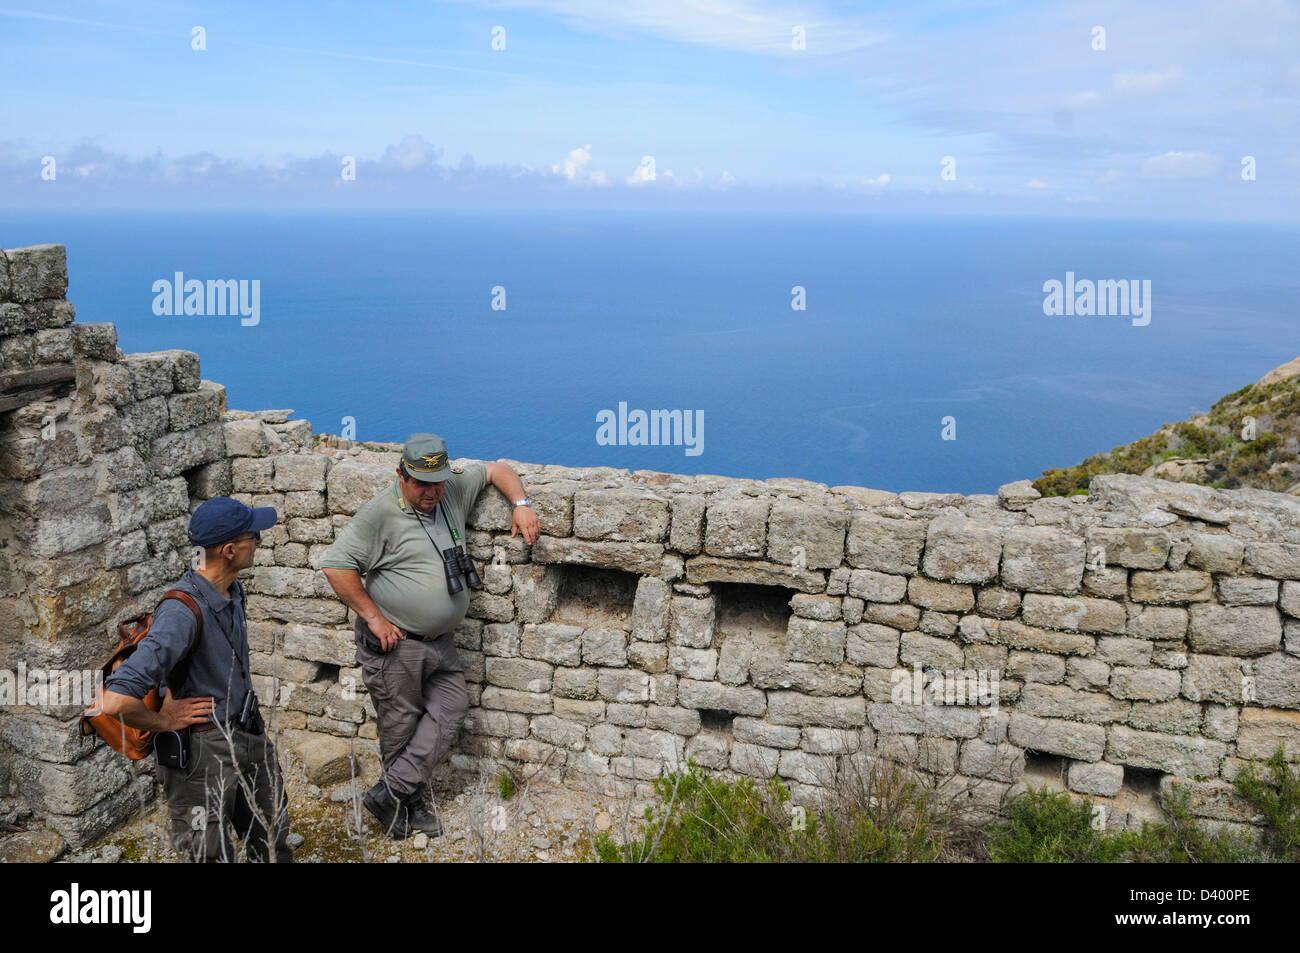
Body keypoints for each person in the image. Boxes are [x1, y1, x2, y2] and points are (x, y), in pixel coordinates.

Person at [321, 434, 540, 839]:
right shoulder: (379, 514)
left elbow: (498, 469)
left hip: (440, 642)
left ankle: (392, 791)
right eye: (422, 484)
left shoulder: (449, 488)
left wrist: (521, 504)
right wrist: (373, 618)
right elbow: (335, 565)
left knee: (452, 707)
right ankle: (408, 805)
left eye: (437, 482)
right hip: (396, 644)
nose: (432, 492)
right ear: (401, 474)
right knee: (400, 725)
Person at [100, 497, 293, 863]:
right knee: (211, 853)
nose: (260, 542)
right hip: (204, 753)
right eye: (255, 536)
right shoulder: (180, 611)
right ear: (230, 550)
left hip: (249, 733)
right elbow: (115, 701)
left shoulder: (232, 590)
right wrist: (164, 720)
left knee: (271, 838)